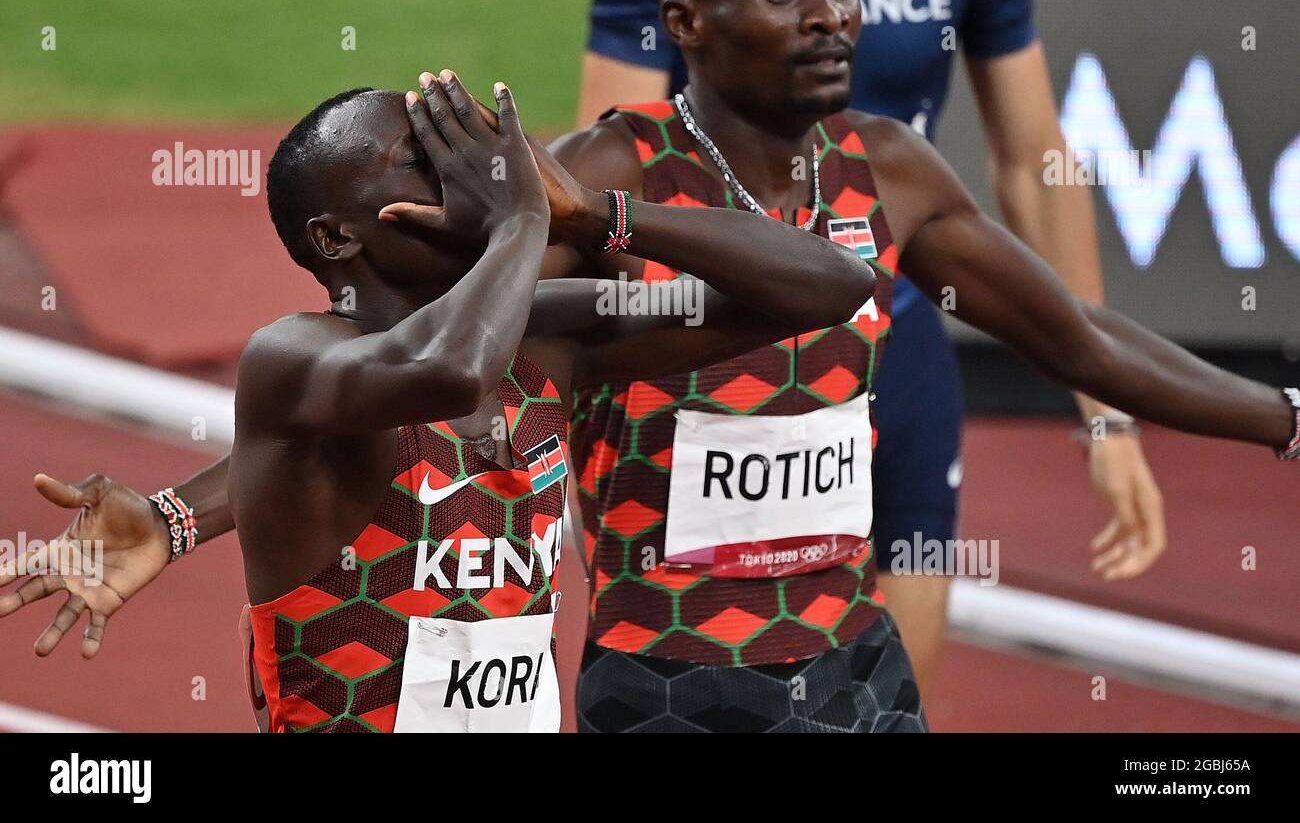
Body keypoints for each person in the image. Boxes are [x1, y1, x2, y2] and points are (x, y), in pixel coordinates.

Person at [5, 0, 1299, 734]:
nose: (832, 15)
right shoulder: (518, 243)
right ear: (687, 24)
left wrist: (1281, 416)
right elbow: (398, 388)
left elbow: (847, 288)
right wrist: (547, 212)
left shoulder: (786, 204)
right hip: (665, 676)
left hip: (843, 654)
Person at [0, 68, 879, 733]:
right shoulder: (295, 358)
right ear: (337, 234)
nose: (468, 178)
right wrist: (524, 218)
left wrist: (599, 215)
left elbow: (828, 286)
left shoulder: (547, 339)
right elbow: (447, 368)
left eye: (461, 154)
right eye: (420, 163)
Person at [576, 0, 1168, 693]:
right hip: (710, 354)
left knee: (893, 692)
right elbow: (609, 188)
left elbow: (1033, 162)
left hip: (898, 335)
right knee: (700, 681)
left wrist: (1107, 416)